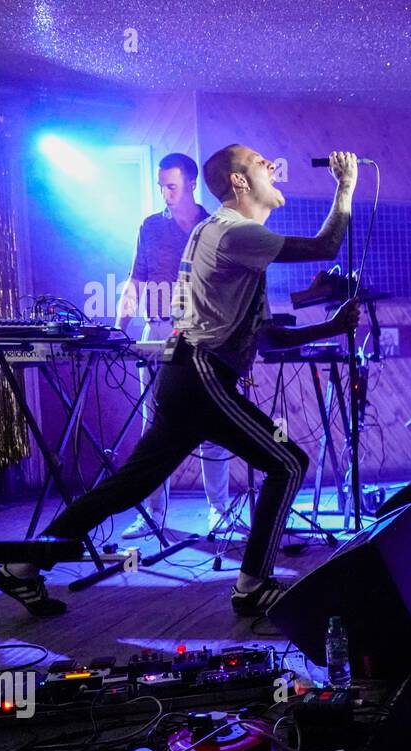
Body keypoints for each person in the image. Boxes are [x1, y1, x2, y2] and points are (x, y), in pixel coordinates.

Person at [0, 146, 363, 617]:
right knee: (288, 462)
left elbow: (265, 338)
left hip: (188, 376)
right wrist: (345, 187)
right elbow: (325, 246)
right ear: (240, 182)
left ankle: (20, 568)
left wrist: (328, 328)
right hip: (202, 374)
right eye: (259, 162)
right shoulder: (234, 230)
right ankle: (251, 586)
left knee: (128, 486)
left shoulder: (227, 236)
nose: (272, 164)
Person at [116, 152, 232, 538]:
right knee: (154, 425)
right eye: (161, 186)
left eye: (172, 186)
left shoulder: (216, 225)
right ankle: (152, 515)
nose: (165, 193)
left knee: (213, 420)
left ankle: (220, 510)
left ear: (192, 184)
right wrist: (120, 326)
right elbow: (135, 279)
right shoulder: (150, 227)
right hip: (158, 329)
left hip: (205, 332)